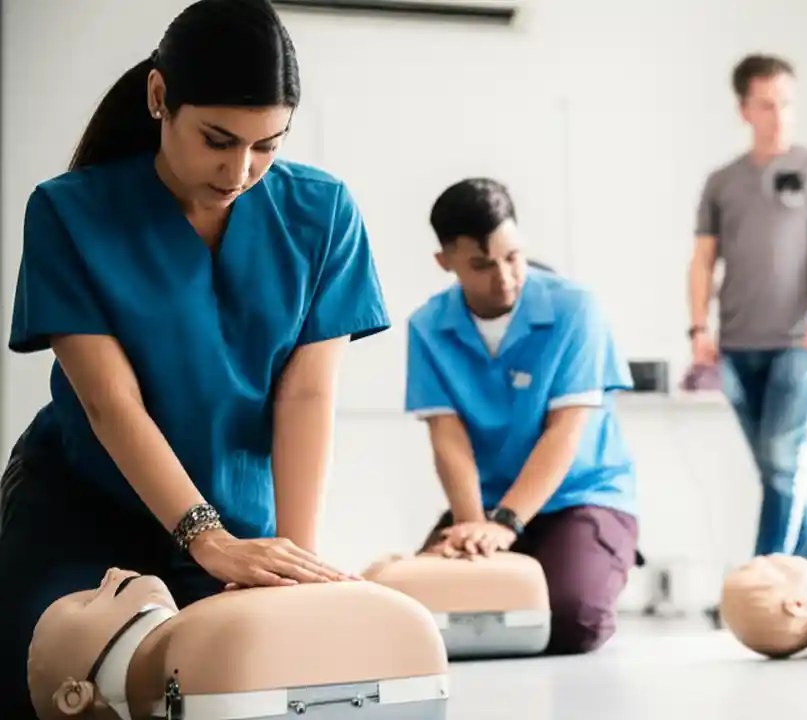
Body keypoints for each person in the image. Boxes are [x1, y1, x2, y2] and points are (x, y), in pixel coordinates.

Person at [0, 0, 390, 714]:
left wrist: (292, 568)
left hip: (241, 522)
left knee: (237, 680)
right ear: (159, 98)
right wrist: (202, 538)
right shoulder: (66, 211)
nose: (240, 169)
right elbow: (108, 402)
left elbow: (306, 399)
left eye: (268, 144)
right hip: (86, 513)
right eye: (218, 138)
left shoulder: (323, 212)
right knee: (97, 678)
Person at [405, 178, 638, 655]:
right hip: (486, 507)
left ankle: (592, 556)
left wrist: (506, 525)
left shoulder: (576, 309)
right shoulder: (427, 327)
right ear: (444, 262)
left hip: (582, 497)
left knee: (576, 620)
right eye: (482, 265)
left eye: (513, 257)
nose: (506, 277)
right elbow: (449, 442)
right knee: (416, 617)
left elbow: (564, 434)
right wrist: (475, 532)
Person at [689, 53, 807, 558]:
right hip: (738, 344)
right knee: (778, 468)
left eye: (786, 102)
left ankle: (764, 574)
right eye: (766, 104)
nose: (779, 114)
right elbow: (701, 260)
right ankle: (803, 581)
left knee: (783, 462)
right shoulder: (722, 181)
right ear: (744, 110)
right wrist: (698, 329)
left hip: (802, 340)